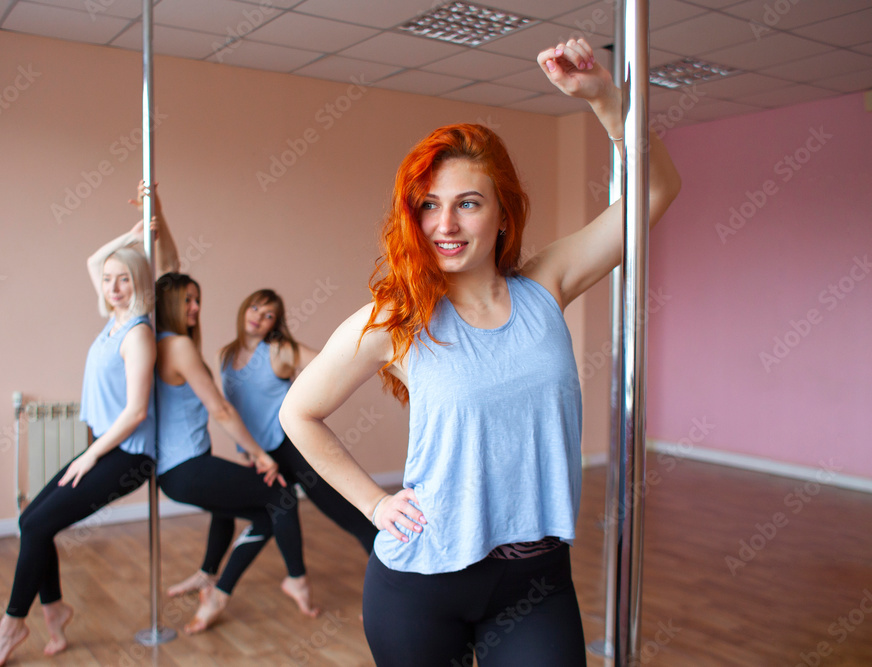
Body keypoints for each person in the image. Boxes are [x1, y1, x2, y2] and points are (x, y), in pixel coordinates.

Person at [279, 38, 681, 666]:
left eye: (468, 203)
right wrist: (375, 503)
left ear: (502, 213)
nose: (447, 224)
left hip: (537, 581)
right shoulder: (396, 320)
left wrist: (608, 101)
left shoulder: (547, 284)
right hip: (419, 587)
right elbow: (297, 412)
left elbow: (655, 192)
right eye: (430, 206)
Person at [0, 198, 168, 667]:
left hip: (128, 456)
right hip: (105, 450)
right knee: (33, 523)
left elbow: (136, 412)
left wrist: (88, 458)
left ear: (139, 282)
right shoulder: (114, 320)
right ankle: (55, 611)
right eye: (109, 280)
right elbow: (92, 260)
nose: (113, 286)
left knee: (38, 524)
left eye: (124, 278)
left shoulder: (138, 333)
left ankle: (12, 626)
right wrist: (129, 237)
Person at [167, 289, 378, 601]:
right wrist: (248, 452)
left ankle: (387, 587)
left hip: (291, 450)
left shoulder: (280, 350)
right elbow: (230, 409)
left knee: (347, 515)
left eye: (268, 315)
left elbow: (333, 362)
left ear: (274, 325)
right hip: (259, 453)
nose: (258, 317)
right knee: (224, 510)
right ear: (244, 310)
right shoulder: (223, 356)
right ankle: (207, 574)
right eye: (255, 308)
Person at [154, 274, 320, 632]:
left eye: (198, 299)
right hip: (187, 468)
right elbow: (223, 411)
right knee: (281, 495)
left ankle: (209, 582)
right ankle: (284, 581)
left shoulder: (157, 341)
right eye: (187, 300)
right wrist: (261, 455)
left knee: (253, 511)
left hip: (173, 473)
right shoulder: (185, 346)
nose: (196, 307)